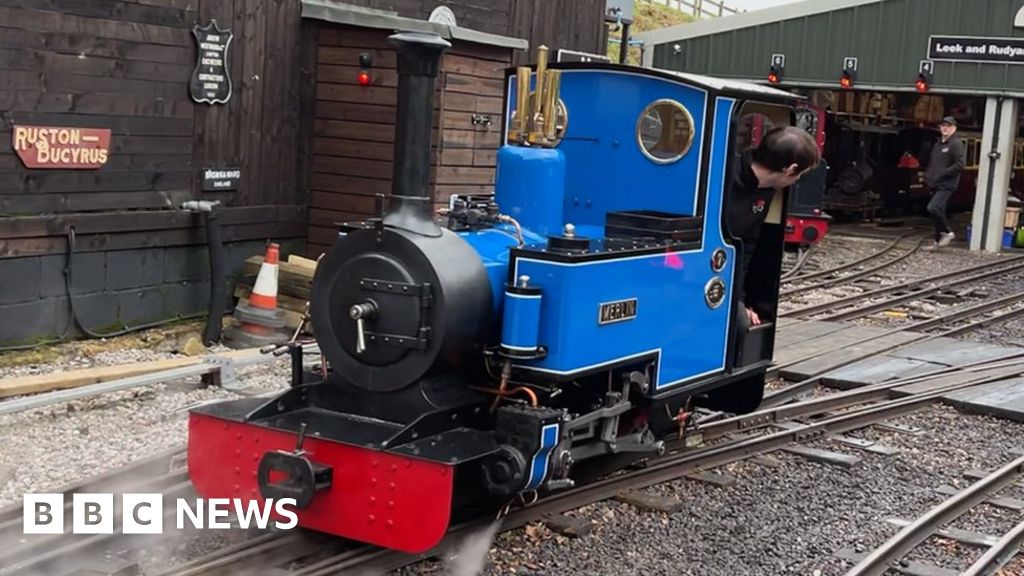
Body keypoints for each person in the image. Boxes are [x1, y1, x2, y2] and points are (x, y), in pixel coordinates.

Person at [728, 123, 821, 330]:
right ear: (791, 169)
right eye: (799, 175)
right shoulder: (725, 177)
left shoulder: (767, 191)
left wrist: (740, 300)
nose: (796, 180)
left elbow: (746, 248)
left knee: (743, 320)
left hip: (724, 279)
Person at [925, 116, 965, 248]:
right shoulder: (937, 144)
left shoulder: (956, 143)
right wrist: (929, 176)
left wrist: (943, 173)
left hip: (947, 184)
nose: (945, 128)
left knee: (933, 207)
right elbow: (932, 163)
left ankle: (948, 232)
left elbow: (960, 165)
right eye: (943, 126)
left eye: (948, 126)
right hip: (936, 183)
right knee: (937, 212)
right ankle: (936, 241)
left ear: (954, 128)